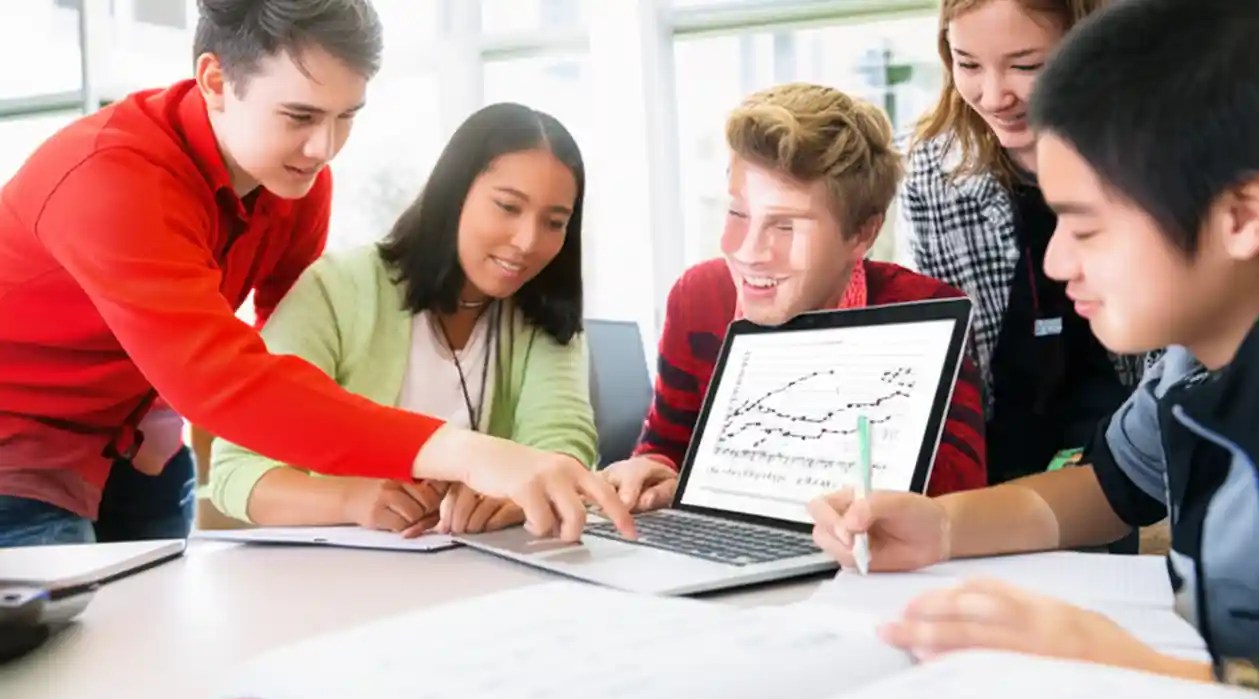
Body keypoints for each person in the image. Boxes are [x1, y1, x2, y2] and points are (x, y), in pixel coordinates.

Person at [0, 0, 633, 547]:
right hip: (17, 448)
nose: (325, 149)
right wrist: (469, 452)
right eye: (300, 117)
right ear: (215, 80)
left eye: (347, 116)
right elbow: (228, 382)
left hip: (140, 449)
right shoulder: (109, 179)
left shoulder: (296, 184)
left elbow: (288, 364)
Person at [809, 0, 1259, 693]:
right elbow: (1104, 487)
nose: (1055, 263)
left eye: (1086, 229)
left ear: (1242, 216)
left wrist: (1125, 663)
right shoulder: (1188, 368)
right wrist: (939, 526)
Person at [209, 103, 595, 537]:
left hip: (484, 578)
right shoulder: (337, 290)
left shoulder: (545, 315)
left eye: (554, 222)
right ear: (454, 194)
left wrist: (513, 495)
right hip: (339, 581)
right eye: (508, 207)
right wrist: (352, 500)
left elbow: (564, 447)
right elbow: (236, 472)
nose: (527, 241)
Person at [604, 82, 988, 511]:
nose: (748, 251)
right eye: (737, 213)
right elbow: (668, 444)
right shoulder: (696, 299)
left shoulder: (923, 312)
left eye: (785, 226)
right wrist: (650, 470)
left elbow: (959, 492)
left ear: (862, 234)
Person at [898, 0, 1145, 485]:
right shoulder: (933, 171)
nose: (993, 97)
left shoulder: (1150, 153)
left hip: (1132, 448)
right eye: (967, 64)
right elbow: (950, 357)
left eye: (1027, 66)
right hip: (1000, 450)